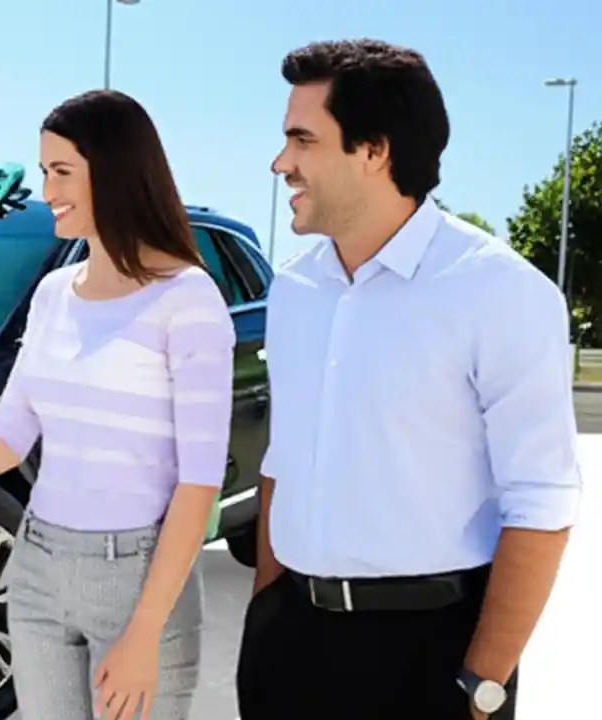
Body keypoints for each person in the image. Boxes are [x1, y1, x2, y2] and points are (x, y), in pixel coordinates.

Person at [237, 39, 582, 719]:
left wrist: (482, 686)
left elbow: (541, 504)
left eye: (303, 140)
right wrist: (264, 620)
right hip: (292, 648)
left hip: (431, 659)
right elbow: (283, 460)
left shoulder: (502, 293)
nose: (282, 163)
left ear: (374, 151)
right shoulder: (295, 291)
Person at [0, 89, 236, 720]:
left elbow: (199, 485)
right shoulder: (54, 294)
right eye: (43, 171)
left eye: (62, 172)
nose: (47, 189)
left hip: (139, 578)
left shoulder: (188, 300)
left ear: (115, 172)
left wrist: (144, 635)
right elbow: (7, 435)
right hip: (36, 564)